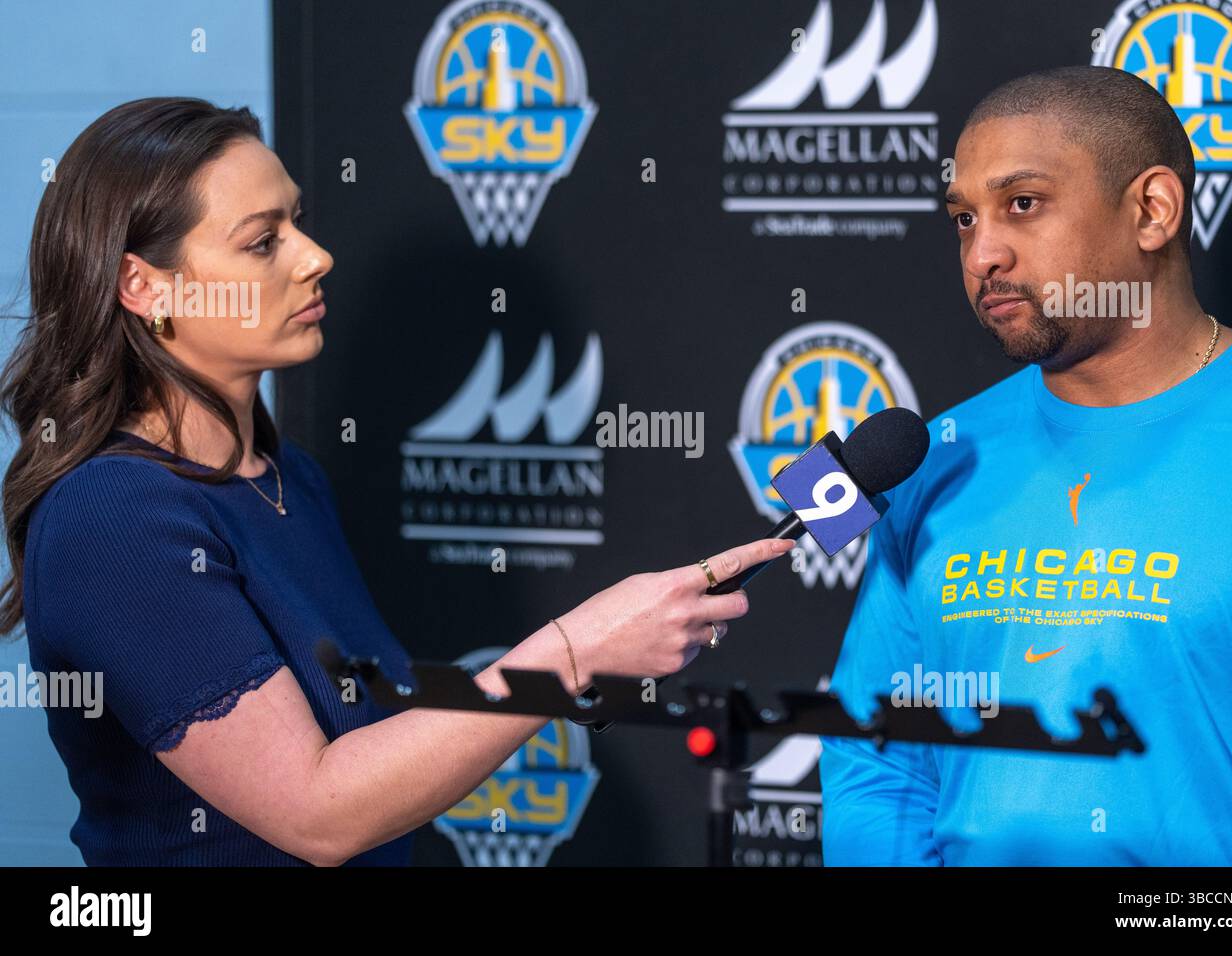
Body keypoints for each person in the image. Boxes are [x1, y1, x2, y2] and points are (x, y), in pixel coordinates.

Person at [0, 96, 792, 866]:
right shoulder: (112, 518)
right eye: (261, 242)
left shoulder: (286, 481)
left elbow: (383, 756)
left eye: (298, 221)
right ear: (146, 288)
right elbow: (317, 815)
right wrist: (575, 652)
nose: (315, 256)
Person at [819, 66, 1232, 866]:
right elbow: (878, 755)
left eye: (1022, 205)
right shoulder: (935, 457)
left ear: (1152, 210)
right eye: (964, 219)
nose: (983, 253)